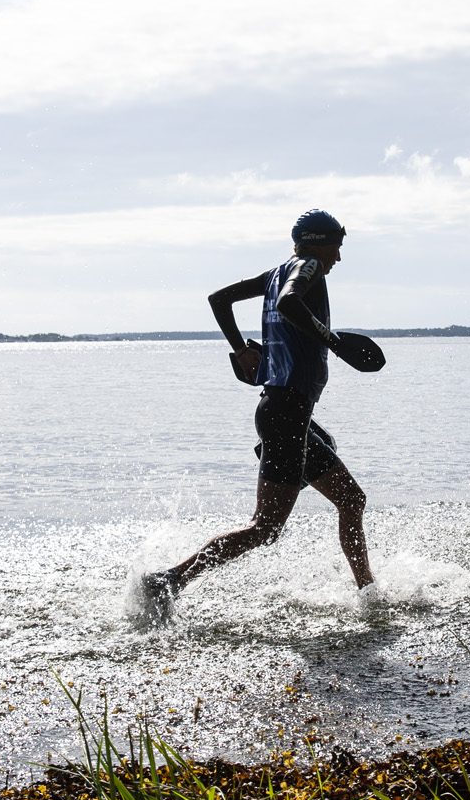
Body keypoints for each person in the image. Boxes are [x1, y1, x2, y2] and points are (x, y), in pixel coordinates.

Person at [142, 210, 375, 620]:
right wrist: (332, 341)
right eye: (337, 243)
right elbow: (288, 303)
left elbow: (219, 299)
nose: (338, 255)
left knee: (350, 498)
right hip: (285, 414)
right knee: (264, 530)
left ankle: (369, 593)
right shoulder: (307, 268)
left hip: (287, 413)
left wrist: (240, 348)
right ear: (318, 241)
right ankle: (169, 580)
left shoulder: (277, 272)